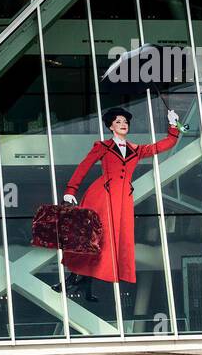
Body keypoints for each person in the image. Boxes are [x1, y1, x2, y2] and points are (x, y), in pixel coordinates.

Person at [61, 105, 183, 297]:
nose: (123, 124)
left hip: (123, 200)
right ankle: (73, 279)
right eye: (118, 121)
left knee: (112, 242)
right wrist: (70, 190)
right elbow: (84, 166)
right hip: (102, 196)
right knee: (95, 237)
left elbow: (166, 144)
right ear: (111, 126)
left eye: (125, 121)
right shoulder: (102, 146)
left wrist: (173, 124)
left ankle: (85, 282)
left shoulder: (136, 149)